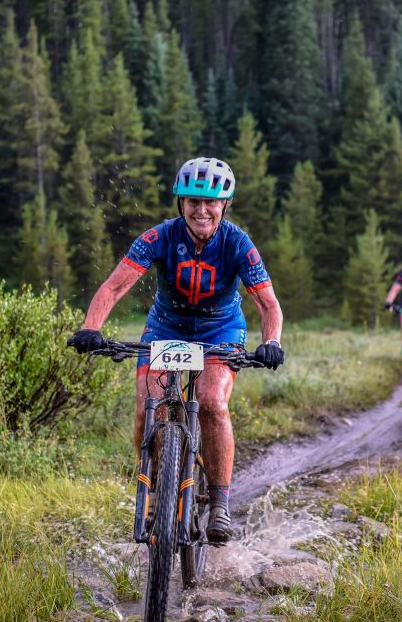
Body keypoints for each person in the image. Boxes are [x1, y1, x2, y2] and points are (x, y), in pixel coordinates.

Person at [68, 157, 284, 544]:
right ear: (180, 203)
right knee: (148, 403)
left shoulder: (238, 243)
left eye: (210, 203)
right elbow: (115, 286)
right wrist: (91, 327)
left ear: (224, 206)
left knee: (212, 401)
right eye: (192, 202)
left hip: (220, 329)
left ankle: (218, 503)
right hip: (166, 328)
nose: (201, 211)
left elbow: (268, 305)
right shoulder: (159, 237)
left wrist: (271, 342)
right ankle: (154, 491)